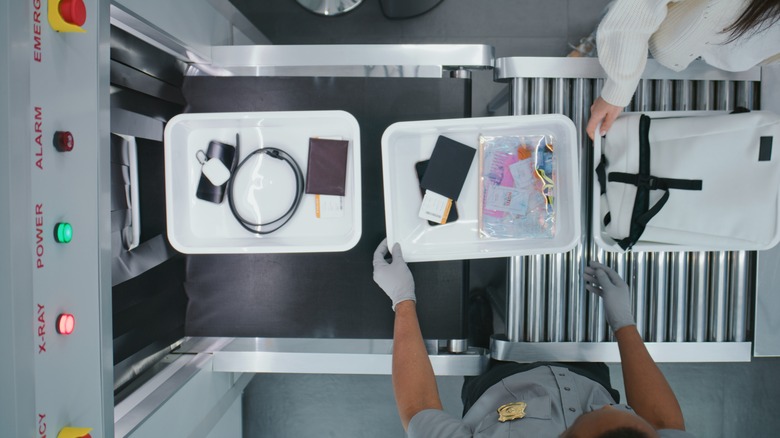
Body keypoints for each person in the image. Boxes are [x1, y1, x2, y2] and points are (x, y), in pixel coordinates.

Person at [372, 238, 694, 437]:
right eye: (620, 411)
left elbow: (418, 409)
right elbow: (665, 423)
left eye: (598, 414)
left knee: (477, 331)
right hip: (589, 376)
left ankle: (481, 321)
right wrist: (624, 324)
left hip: (498, 383)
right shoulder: (616, 417)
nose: (612, 408)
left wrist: (402, 300)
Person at [587, 0, 780, 140]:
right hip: (654, 28)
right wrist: (617, 89)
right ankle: (594, 38)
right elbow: (638, 8)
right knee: (612, 28)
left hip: (704, 61)